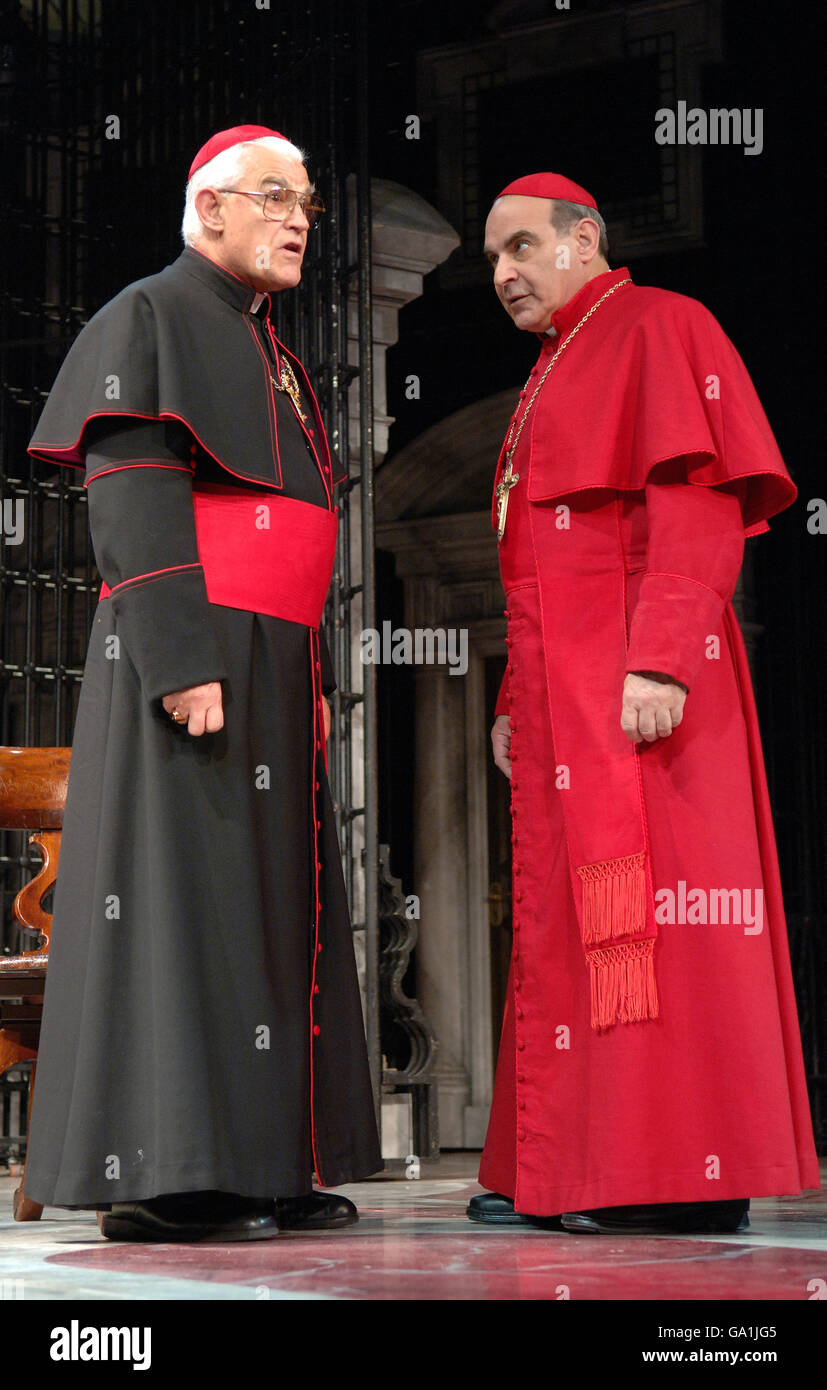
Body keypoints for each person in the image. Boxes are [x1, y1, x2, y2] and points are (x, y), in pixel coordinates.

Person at [23, 124, 382, 1243]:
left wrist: (304, 668)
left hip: (272, 655)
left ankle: (265, 1162)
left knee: (272, 909)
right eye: (275, 196)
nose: (296, 219)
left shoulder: (265, 342)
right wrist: (182, 660)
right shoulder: (147, 314)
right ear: (208, 205)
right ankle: (171, 1172)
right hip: (198, 652)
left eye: (307, 203)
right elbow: (131, 490)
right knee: (185, 906)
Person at [468, 171, 820, 1235]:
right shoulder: (548, 369)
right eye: (492, 259)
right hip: (560, 682)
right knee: (569, 922)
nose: (503, 273)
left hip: (637, 679)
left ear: (584, 239)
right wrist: (510, 699)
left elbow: (699, 503)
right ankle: (564, 1164)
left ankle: (665, 1173)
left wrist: (661, 659)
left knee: (656, 918)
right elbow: (528, 564)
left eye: (522, 247)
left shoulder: (663, 324)